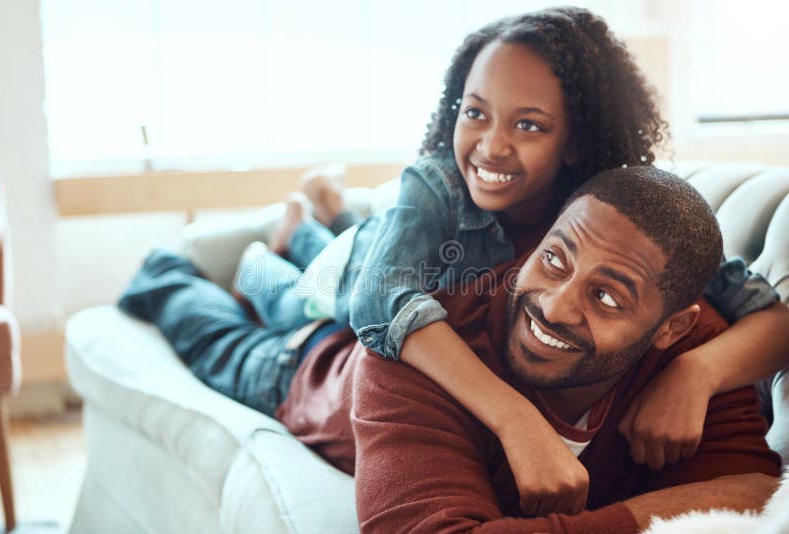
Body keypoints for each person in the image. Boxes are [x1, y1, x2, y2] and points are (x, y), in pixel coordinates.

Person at [227, 6, 789, 512]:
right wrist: (514, 417)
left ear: (575, 139)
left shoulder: (603, 214)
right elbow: (377, 303)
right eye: (475, 113)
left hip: (379, 261)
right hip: (355, 290)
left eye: (528, 125)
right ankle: (297, 225)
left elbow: (772, 316)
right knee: (287, 295)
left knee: (327, 257)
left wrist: (697, 372)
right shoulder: (437, 186)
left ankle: (321, 211)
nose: (493, 146)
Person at [119, 166, 781, 533]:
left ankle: (306, 232)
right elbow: (734, 494)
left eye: (607, 297)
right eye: (554, 260)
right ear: (538, 242)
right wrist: (650, 514)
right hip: (307, 370)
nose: (555, 304)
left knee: (319, 283)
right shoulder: (415, 354)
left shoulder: (697, 354)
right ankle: (240, 256)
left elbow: (744, 483)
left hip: (350, 308)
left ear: (671, 328)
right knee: (255, 307)